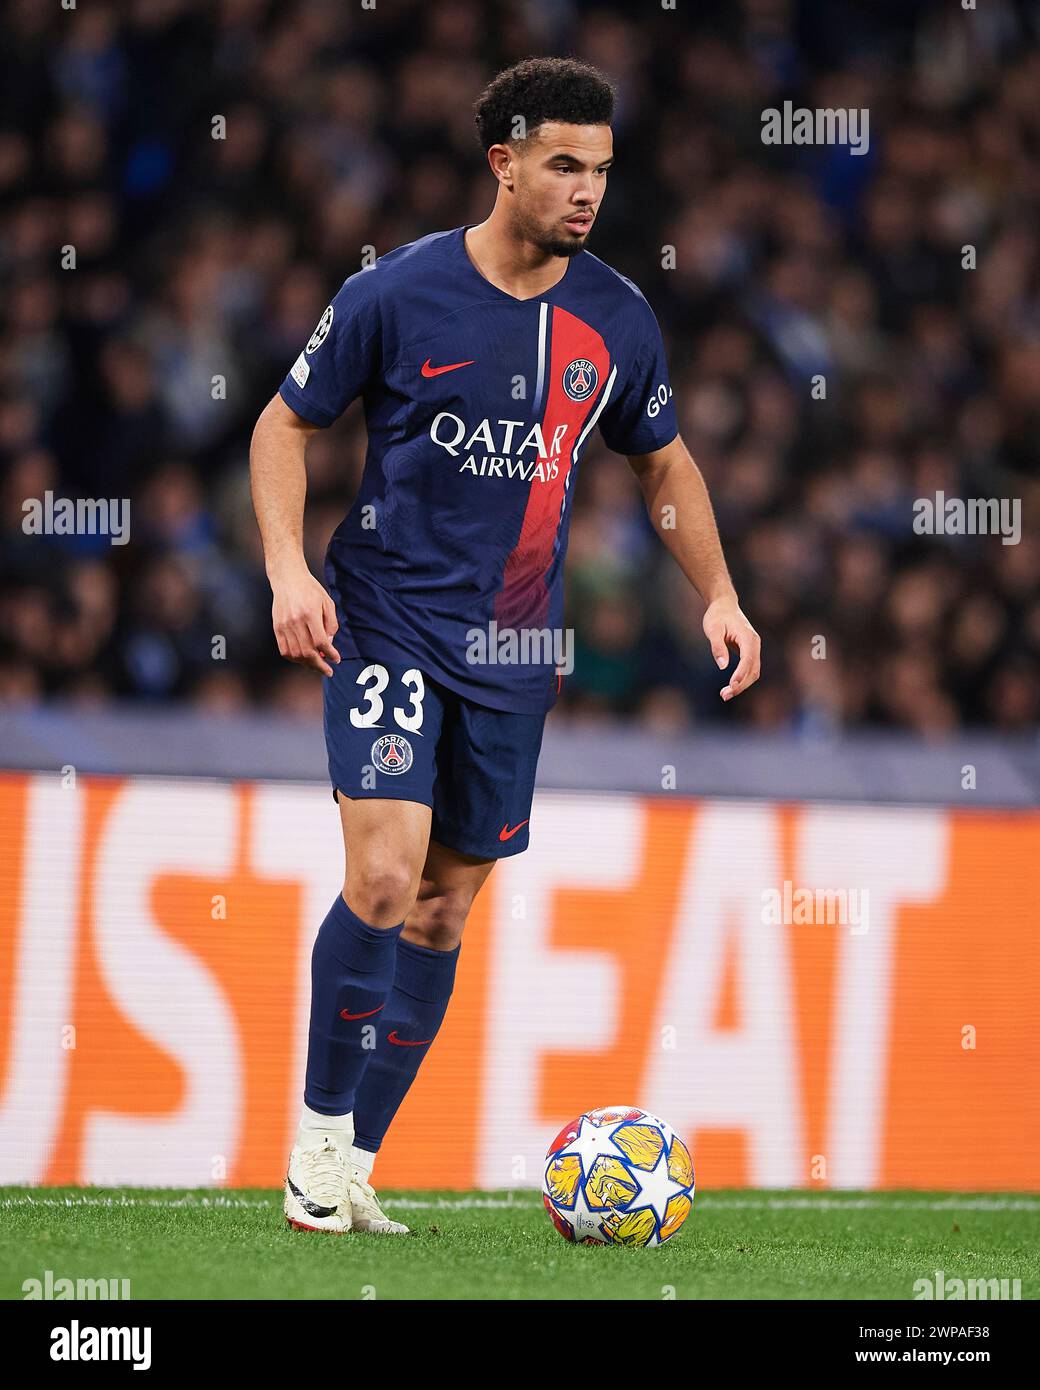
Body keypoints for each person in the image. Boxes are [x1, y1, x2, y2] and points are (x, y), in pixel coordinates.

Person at [249, 56, 760, 1235]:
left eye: (601, 170)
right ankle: (316, 1152)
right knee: (381, 876)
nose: (586, 191)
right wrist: (285, 571)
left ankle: (353, 1169)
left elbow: (663, 461)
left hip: (516, 652)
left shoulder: (617, 319)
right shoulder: (397, 292)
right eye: (563, 166)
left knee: (439, 910)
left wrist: (718, 595)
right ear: (506, 162)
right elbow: (285, 421)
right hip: (384, 620)